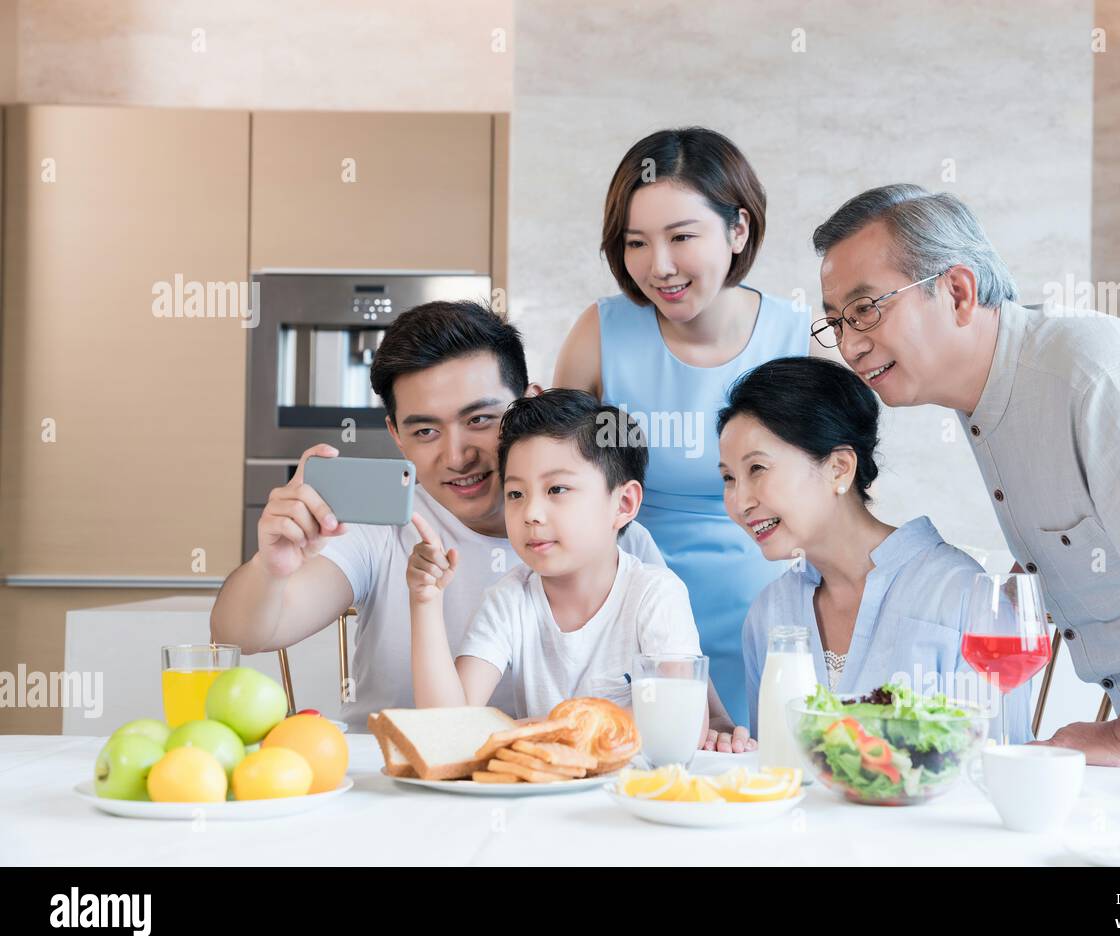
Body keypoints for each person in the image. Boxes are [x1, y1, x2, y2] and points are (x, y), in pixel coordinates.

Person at [812, 183, 1120, 765]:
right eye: (836, 323)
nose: (850, 345)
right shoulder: (986, 402)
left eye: (865, 310)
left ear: (959, 292)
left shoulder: (1086, 369)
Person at [210, 301, 665, 730]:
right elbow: (243, 636)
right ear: (396, 435)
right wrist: (271, 568)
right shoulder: (376, 527)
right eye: (425, 430)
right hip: (392, 784)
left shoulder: (615, 536)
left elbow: (671, 674)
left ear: (528, 402)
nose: (457, 455)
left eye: (481, 420)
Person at [554, 127, 809, 731]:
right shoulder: (599, 334)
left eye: (681, 237)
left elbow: (835, 499)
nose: (657, 266)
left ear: (738, 229)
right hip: (631, 628)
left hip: (770, 621)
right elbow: (556, 481)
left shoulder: (798, 339)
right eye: (636, 242)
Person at [718, 356, 1031, 744]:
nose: (739, 500)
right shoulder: (770, 613)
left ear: (838, 468)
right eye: (728, 477)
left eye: (757, 469)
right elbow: (773, 771)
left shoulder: (961, 595)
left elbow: (1003, 763)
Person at [408, 389, 735, 747]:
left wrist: (537, 727)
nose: (531, 513)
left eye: (557, 489)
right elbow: (445, 728)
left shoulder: (655, 593)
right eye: (516, 494)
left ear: (624, 503)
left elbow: (680, 723)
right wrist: (425, 602)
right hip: (543, 794)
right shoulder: (509, 600)